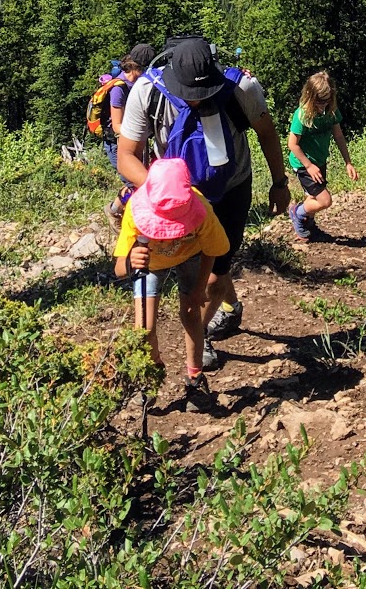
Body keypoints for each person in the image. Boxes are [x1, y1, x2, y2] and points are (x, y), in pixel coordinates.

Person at [117, 35, 292, 368]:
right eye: (190, 96)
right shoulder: (148, 92)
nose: (197, 101)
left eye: (204, 94)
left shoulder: (241, 87)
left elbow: (267, 133)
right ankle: (226, 310)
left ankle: (204, 334)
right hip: (168, 202)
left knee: (214, 272)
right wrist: (159, 189)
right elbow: (126, 155)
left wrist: (280, 183)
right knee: (192, 271)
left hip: (230, 189)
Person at [113, 157, 227, 409]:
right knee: (143, 328)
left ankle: (195, 378)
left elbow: (212, 249)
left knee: (191, 314)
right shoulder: (134, 209)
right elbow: (119, 269)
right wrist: (131, 260)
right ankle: (152, 372)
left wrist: (199, 289)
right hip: (150, 264)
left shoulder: (202, 210)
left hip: (190, 256)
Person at [287, 70, 358, 241]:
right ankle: (297, 213)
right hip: (303, 163)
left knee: (312, 197)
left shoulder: (331, 112)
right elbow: (292, 145)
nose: (322, 105)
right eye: (319, 101)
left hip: (319, 161)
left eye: (326, 101)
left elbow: (339, 136)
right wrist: (308, 166)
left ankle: (309, 226)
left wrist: (348, 162)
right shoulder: (302, 115)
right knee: (325, 201)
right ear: (310, 95)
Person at [104, 45, 152, 227]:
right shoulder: (119, 89)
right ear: (135, 69)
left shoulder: (135, 85)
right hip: (117, 143)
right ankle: (115, 211)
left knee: (138, 181)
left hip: (134, 140)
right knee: (136, 182)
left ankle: (122, 213)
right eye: (143, 69)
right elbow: (117, 125)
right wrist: (140, 131)